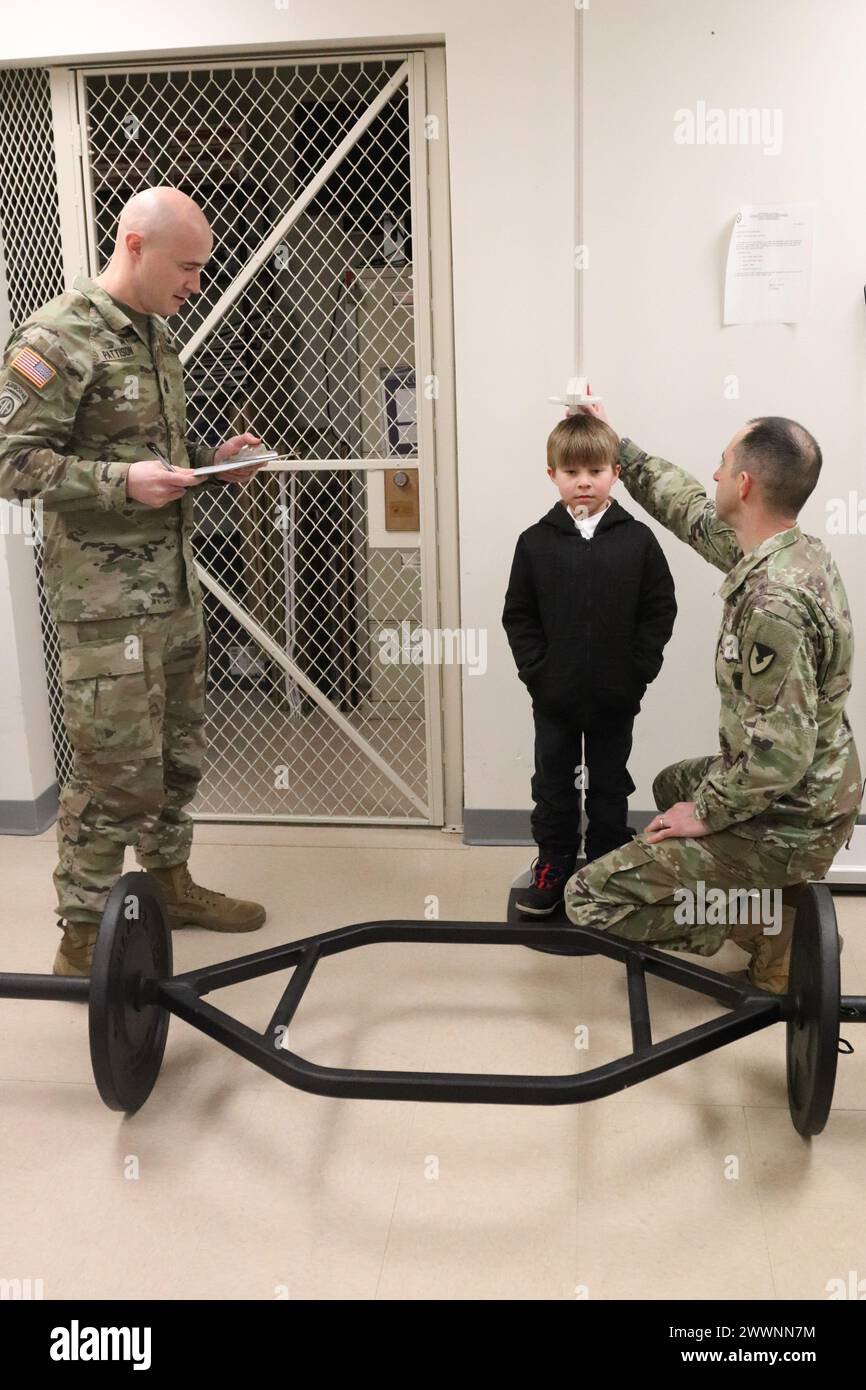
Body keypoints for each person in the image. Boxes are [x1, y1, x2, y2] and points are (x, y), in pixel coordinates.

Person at [0, 186, 272, 977]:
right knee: (112, 774)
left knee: (178, 757)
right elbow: (11, 462)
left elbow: (156, 462)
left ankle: (169, 884)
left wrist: (216, 466)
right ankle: (82, 939)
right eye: (187, 268)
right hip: (105, 607)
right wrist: (121, 482)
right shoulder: (56, 336)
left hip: (173, 593)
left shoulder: (154, 335)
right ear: (133, 245)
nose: (195, 286)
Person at [560, 403, 863, 992]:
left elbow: (780, 757)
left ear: (745, 484)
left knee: (589, 899)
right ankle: (778, 916)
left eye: (723, 464)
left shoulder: (775, 603)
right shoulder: (789, 550)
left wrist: (705, 815)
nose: (715, 474)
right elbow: (691, 511)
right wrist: (616, 448)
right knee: (675, 785)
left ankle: (764, 924)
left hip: (795, 812)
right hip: (818, 787)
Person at [502, 412, 677, 916]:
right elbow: (519, 615)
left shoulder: (637, 540)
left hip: (615, 694)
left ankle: (604, 862)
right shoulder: (535, 543)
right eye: (571, 472)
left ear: (615, 473)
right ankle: (553, 862)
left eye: (595, 471)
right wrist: (537, 672)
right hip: (553, 696)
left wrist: (637, 670)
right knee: (552, 783)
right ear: (552, 475)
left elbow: (659, 607)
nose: (583, 482)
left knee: (609, 781)